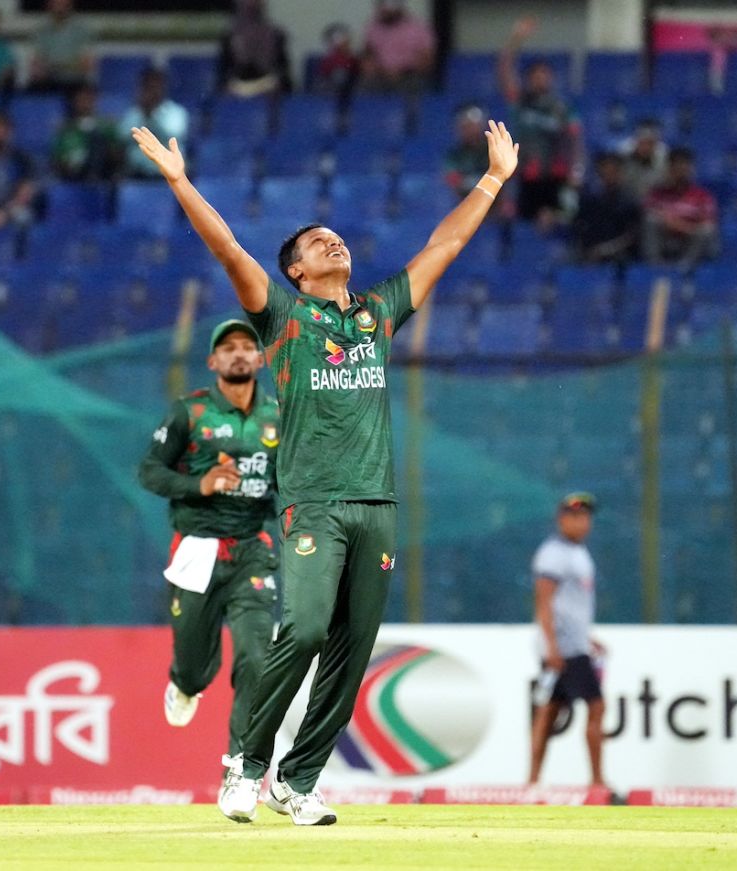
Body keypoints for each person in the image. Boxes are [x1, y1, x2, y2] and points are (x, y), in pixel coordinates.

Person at [130, 115, 518, 826]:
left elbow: (447, 241)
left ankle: (297, 779)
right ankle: (244, 765)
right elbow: (225, 246)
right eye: (314, 244)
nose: (330, 241)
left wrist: (492, 179)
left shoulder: (377, 313)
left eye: (333, 236)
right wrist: (180, 181)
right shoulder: (281, 316)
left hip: (378, 503)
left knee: (351, 650)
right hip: (311, 502)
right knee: (304, 629)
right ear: (297, 272)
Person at [138, 319, 281, 759]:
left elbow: (291, 479)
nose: (238, 353)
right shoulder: (190, 412)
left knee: (258, 660)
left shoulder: (279, 415)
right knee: (196, 666)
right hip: (197, 548)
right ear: (212, 361)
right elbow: (149, 472)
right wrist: (200, 485)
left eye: (246, 347)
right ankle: (185, 683)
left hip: (253, 550)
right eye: (228, 348)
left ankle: (239, 770)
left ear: (260, 360)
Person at [528, 492, 607, 788]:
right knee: (596, 706)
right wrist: (551, 646)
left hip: (573, 643)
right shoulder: (554, 554)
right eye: (575, 516)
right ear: (562, 519)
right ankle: (597, 781)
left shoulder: (578, 552)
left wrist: (589, 638)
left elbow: (571, 606)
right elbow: (544, 603)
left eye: (586, 516)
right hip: (564, 648)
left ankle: (533, 780)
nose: (583, 522)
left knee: (549, 710)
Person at [497, 16, 583, 228]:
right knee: (522, 226)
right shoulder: (520, 101)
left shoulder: (562, 108)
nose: (541, 78)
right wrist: (516, 38)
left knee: (562, 222)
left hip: (556, 176)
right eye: (536, 75)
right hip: (527, 176)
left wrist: (576, 171)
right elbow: (505, 69)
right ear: (528, 78)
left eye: (545, 74)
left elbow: (575, 141)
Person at [643, 147, 718, 269]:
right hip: (666, 240)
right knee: (650, 220)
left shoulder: (703, 196)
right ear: (669, 168)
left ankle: (685, 269)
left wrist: (681, 226)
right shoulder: (656, 194)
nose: (681, 170)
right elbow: (651, 214)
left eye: (685, 166)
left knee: (706, 230)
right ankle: (654, 267)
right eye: (677, 166)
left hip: (690, 242)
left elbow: (708, 223)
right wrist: (676, 224)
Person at [119, 68, 189, 179]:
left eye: (156, 86)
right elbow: (122, 136)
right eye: (149, 86)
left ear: (163, 87)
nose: (153, 91)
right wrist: (144, 113)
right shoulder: (134, 112)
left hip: (168, 174)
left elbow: (173, 134)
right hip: (136, 174)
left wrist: (151, 114)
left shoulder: (176, 111)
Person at [571, 153, 641, 264]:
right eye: (606, 172)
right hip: (591, 252)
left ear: (620, 172)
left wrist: (606, 250)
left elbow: (632, 235)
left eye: (613, 171)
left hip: (620, 254)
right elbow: (579, 226)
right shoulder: (589, 200)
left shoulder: (629, 201)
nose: (609, 176)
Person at [217, 0, 291, 98]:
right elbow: (223, 72)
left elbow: (284, 72)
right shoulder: (229, 36)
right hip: (237, 86)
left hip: (268, 85)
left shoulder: (276, 35)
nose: (251, 4)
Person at [360, 0, 435, 94]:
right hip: (381, 76)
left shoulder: (418, 28)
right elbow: (368, 55)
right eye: (381, 7)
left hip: (409, 76)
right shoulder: (373, 27)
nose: (383, 11)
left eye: (387, 8)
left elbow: (427, 61)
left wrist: (402, 70)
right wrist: (372, 66)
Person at [51, 84, 121, 182]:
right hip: (71, 176)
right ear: (74, 101)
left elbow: (117, 155)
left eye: (89, 98)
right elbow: (56, 161)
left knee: (97, 139)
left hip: (101, 176)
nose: (85, 102)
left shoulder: (106, 126)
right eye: (81, 99)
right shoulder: (65, 129)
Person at [29, 0, 94, 93]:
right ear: (49, 5)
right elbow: (36, 64)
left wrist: (54, 66)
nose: (60, 7)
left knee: (84, 94)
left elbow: (86, 65)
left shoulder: (82, 30)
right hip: (49, 79)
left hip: (75, 81)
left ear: (70, 4)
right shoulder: (41, 30)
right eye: (57, 3)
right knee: (30, 89)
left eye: (63, 3)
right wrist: (68, 65)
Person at [443, 104, 490, 199]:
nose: (470, 130)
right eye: (465, 126)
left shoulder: (494, 150)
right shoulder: (454, 155)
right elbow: (452, 179)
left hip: (495, 202)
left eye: (473, 126)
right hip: (465, 203)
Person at [618, 119, 667, 204]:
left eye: (650, 143)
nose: (646, 147)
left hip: (654, 203)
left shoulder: (663, 157)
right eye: (642, 143)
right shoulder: (623, 155)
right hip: (627, 203)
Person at [314, 23, 360, 99]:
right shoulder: (327, 60)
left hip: (350, 91)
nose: (344, 46)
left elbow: (357, 77)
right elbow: (321, 80)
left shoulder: (354, 60)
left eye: (346, 43)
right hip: (330, 90)